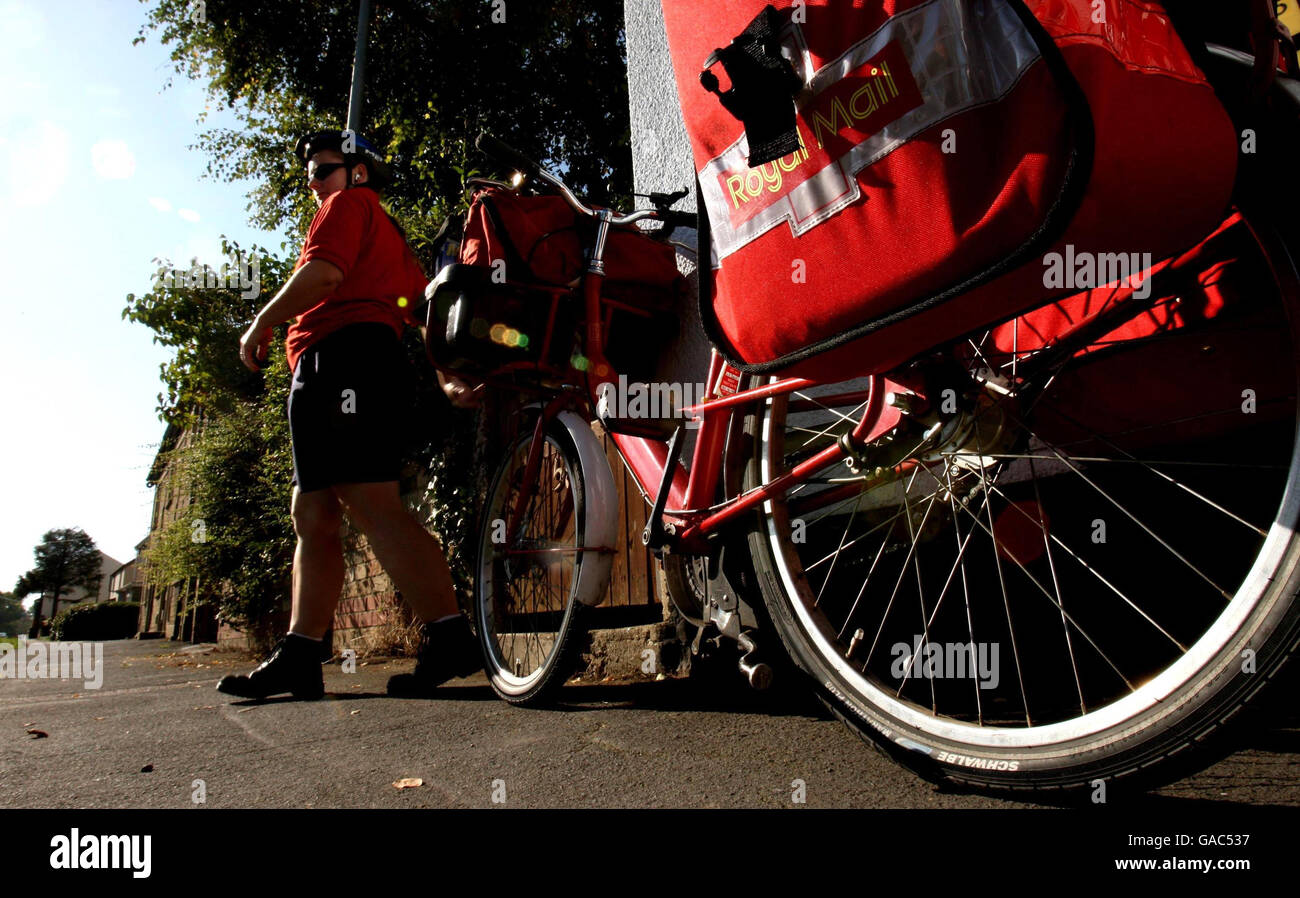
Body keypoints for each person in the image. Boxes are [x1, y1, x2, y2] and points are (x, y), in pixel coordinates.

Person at [217, 128, 482, 701]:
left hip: (346, 360)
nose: (313, 183)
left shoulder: (348, 205)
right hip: (341, 364)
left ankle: (450, 634)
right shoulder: (385, 235)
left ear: (357, 172)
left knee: (370, 501)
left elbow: (324, 275)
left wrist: (261, 322)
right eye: (310, 174)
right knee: (311, 510)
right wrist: (444, 374)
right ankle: (302, 653)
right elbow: (419, 312)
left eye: (323, 169)